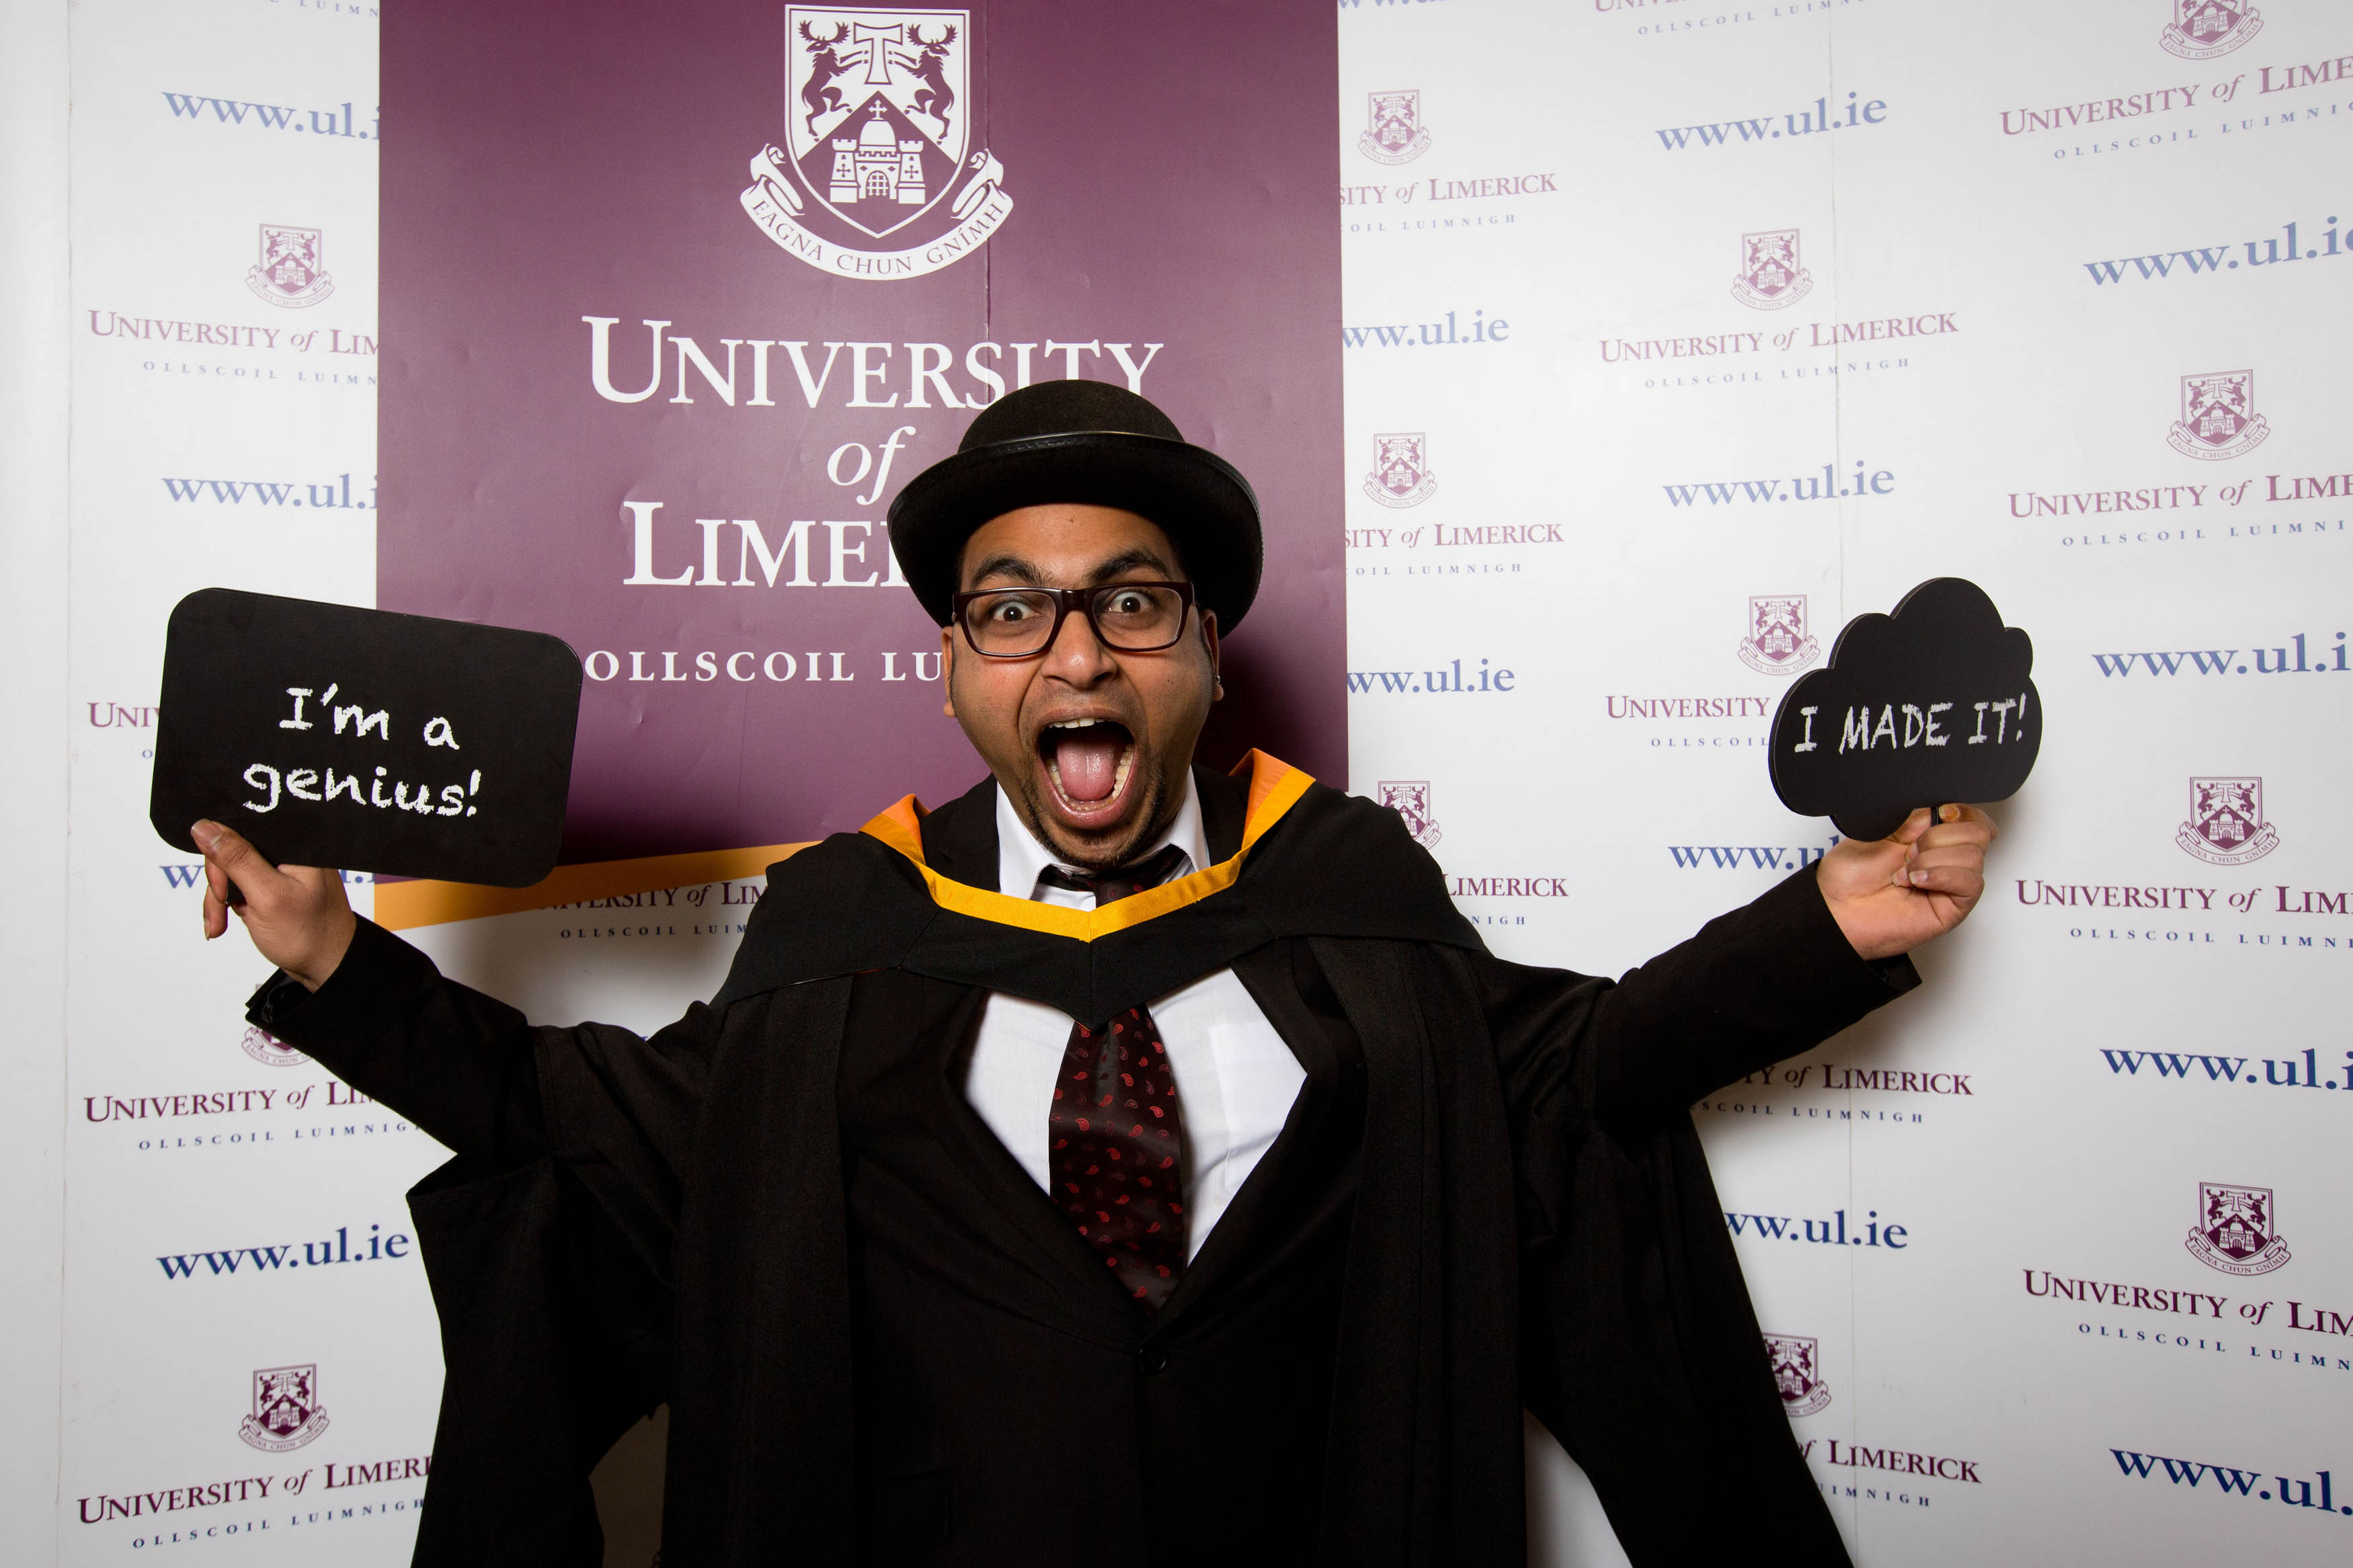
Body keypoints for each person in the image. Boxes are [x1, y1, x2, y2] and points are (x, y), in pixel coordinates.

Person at [193, 380, 1995, 1567]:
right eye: (1010, 607)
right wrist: (339, 962)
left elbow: (1568, 1079)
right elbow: (590, 1137)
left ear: (1203, 652)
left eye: (1133, 602)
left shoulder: (1348, 886)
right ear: (958, 669)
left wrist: (1820, 928)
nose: (1075, 647)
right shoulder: (844, 922)